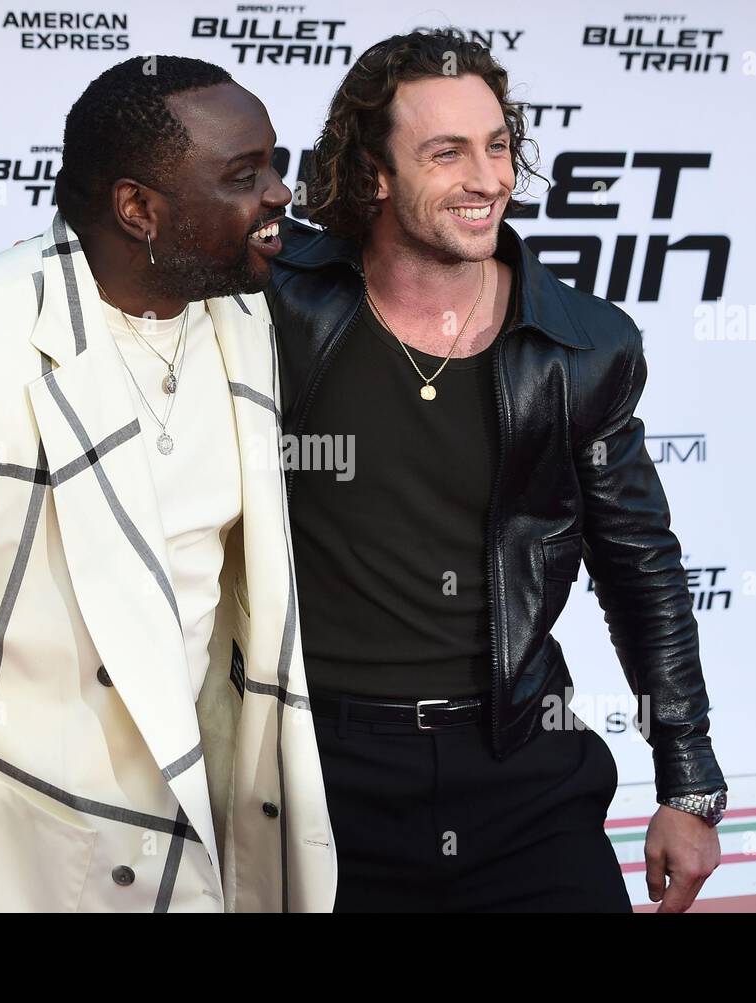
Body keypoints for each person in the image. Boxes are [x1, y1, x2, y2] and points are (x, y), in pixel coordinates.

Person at [0, 56, 335, 912]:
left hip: (194, 844)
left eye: (273, 165)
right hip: (18, 862)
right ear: (137, 208)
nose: (279, 194)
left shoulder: (243, 310)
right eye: (244, 175)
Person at [266, 30, 727, 912]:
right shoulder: (281, 297)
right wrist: (10, 298)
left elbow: (639, 566)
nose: (488, 179)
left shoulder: (583, 348)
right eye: (447, 153)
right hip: (318, 773)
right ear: (373, 175)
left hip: (518, 764)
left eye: (498, 145)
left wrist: (688, 781)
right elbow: (135, 243)